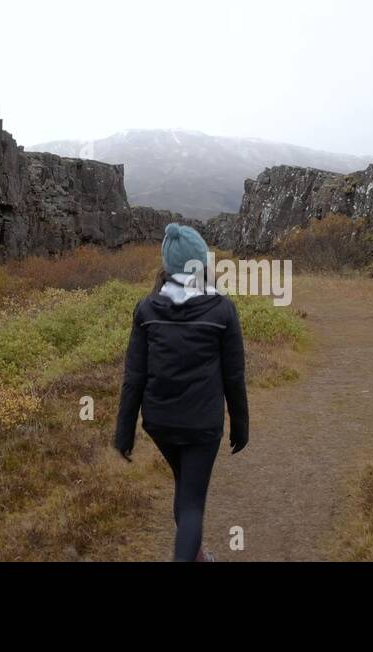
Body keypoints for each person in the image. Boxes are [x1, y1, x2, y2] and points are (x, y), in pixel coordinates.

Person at [114, 223, 249, 562]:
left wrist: (124, 432)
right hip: (202, 425)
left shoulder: (147, 309)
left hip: (159, 423)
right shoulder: (221, 310)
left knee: (185, 486)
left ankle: (198, 556)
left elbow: (134, 377)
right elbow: (234, 376)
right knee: (191, 503)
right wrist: (241, 425)